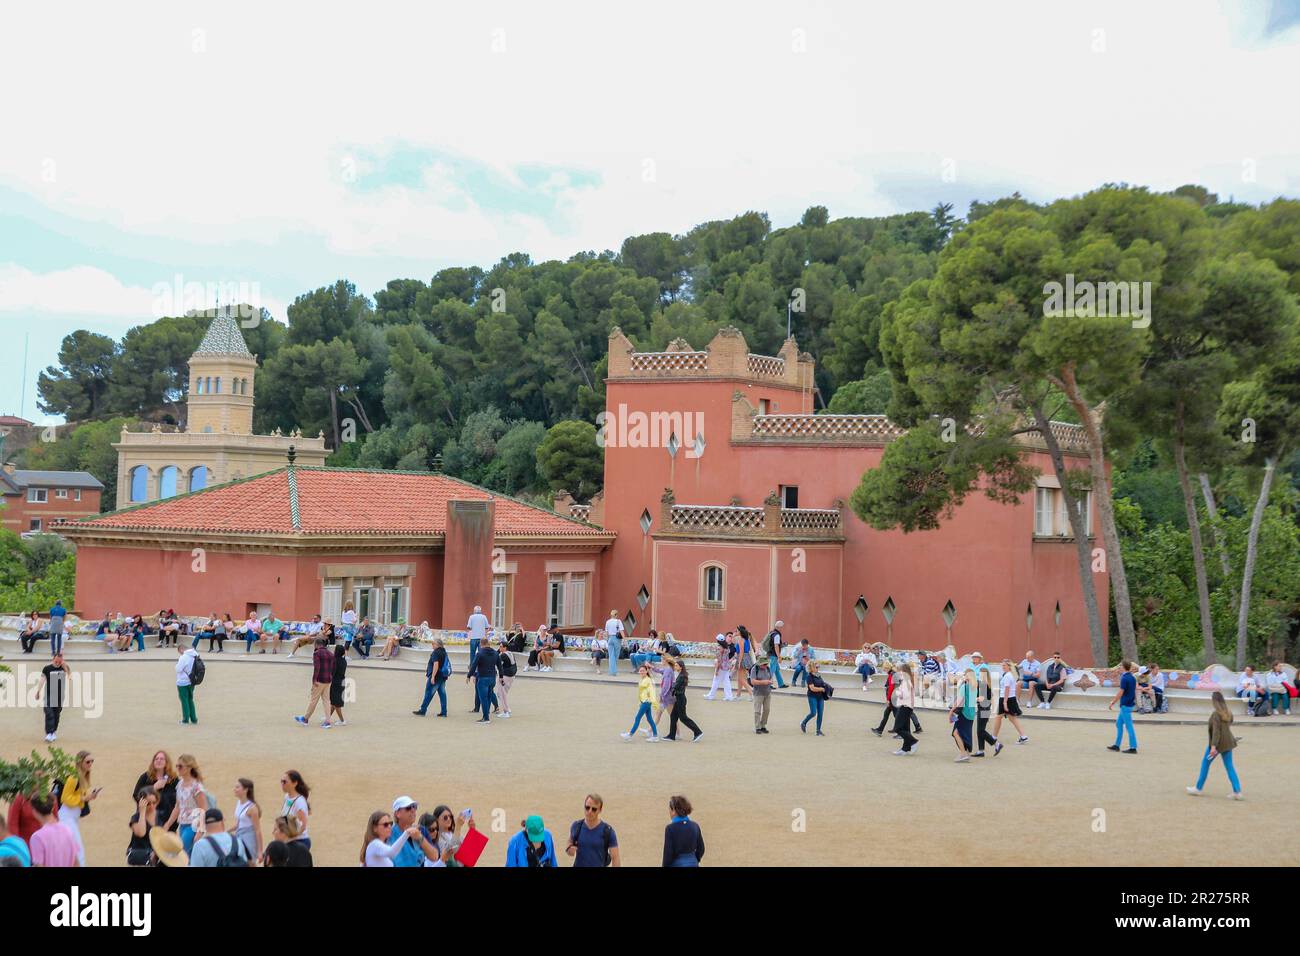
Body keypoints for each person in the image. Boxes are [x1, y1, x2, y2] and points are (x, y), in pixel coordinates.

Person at [1187, 691, 1244, 800]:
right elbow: (1230, 723)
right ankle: (1237, 791)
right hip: (1228, 742)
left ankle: (1198, 788)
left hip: (1217, 744)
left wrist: (1213, 747)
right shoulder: (1228, 712)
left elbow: (1216, 732)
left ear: (1214, 702)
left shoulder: (1215, 714)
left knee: (1205, 764)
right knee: (1230, 767)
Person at [56, 750, 100, 865]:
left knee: (71, 849)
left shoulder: (83, 777)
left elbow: (77, 796)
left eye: (92, 761)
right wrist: (84, 799)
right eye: (87, 762)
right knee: (78, 849)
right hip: (66, 818)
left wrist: (89, 797)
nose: (90, 764)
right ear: (80, 762)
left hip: (72, 817)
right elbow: (64, 798)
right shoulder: (73, 778)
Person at [166, 754, 209, 854]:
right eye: (176, 766)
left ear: (189, 767)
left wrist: (200, 831)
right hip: (182, 824)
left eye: (180, 766)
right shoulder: (179, 784)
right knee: (187, 856)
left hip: (194, 825)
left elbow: (203, 809)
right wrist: (167, 824)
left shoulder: (196, 787)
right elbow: (177, 807)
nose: (177, 768)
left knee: (181, 853)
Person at [567, 793, 620, 867]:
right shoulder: (576, 826)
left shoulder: (608, 831)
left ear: (600, 810)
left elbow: (615, 857)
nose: (589, 811)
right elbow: (569, 844)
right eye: (587, 807)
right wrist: (569, 850)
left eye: (594, 809)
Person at [294, 638, 336, 728]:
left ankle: (305, 719)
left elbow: (317, 667)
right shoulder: (330, 654)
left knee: (313, 700)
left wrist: (314, 680)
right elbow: (333, 668)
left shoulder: (317, 653)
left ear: (316, 644)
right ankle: (328, 721)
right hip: (328, 680)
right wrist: (331, 677)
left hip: (319, 680)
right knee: (327, 701)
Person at [28, 795, 80, 867]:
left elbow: (39, 865)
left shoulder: (37, 837)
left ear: (34, 811)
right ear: (52, 808)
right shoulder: (68, 830)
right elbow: (76, 863)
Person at [873, 663, 923, 738]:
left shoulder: (898, 677)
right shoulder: (904, 677)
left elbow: (892, 688)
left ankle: (901, 732)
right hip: (902, 701)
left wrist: (891, 697)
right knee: (900, 716)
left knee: (900, 717)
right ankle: (883, 729)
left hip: (899, 700)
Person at [387, 796, 439, 866]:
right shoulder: (389, 833)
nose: (413, 810)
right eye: (408, 808)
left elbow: (434, 857)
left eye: (414, 807)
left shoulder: (421, 830)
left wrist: (420, 838)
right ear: (397, 813)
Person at [989, 660, 1030, 750]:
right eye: (1002, 665)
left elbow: (1007, 689)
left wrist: (1004, 702)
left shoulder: (1008, 676)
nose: (1003, 667)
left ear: (1009, 666)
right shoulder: (1008, 675)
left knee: (999, 717)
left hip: (1006, 698)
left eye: (1004, 665)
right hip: (1009, 698)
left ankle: (994, 737)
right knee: (1012, 718)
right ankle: (1023, 736)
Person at [134, 752, 178, 831]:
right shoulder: (145, 777)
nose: (158, 760)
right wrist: (154, 788)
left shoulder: (174, 779)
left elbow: (181, 799)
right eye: (156, 759)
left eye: (162, 759)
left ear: (166, 762)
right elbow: (136, 796)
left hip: (168, 824)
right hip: (147, 821)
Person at [663, 658, 703, 742]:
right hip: (679, 699)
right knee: (673, 716)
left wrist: (670, 688)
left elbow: (675, 687)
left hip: (680, 699)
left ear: (681, 667)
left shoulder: (681, 676)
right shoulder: (681, 675)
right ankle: (671, 735)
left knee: (683, 718)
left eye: (676, 665)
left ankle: (698, 732)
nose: (675, 666)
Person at [621, 664, 662, 741]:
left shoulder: (648, 680)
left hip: (646, 702)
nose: (641, 672)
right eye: (640, 671)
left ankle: (630, 734)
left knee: (638, 718)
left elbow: (652, 692)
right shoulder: (643, 679)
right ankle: (655, 735)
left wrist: (655, 704)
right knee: (649, 719)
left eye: (643, 670)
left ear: (647, 671)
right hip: (644, 701)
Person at [662, 795, 704, 867]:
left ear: (674, 811)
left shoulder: (670, 829)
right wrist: (693, 860)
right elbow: (701, 849)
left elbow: (668, 854)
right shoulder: (695, 826)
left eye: (670, 810)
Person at [466, 636, 500, 723]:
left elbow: (473, 665)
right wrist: (501, 676)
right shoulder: (495, 653)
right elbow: (500, 666)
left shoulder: (480, 653)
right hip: (492, 677)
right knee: (489, 696)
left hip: (483, 677)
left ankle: (486, 717)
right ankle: (486, 714)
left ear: (481, 644)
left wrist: (469, 675)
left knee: (483, 698)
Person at [1107, 660, 1139, 754]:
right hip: (1127, 704)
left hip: (1125, 705)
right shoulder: (1132, 677)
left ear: (1123, 667)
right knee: (1119, 724)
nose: (1119, 667)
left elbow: (1121, 692)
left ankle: (1133, 747)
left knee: (1129, 727)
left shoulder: (1124, 678)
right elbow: (1133, 690)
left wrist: (1113, 702)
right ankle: (1117, 745)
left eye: (1120, 666)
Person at [414, 637, 450, 717]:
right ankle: (444, 712)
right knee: (442, 694)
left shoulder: (435, 653)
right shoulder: (444, 652)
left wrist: (433, 676)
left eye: (433, 644)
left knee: (429, 693)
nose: (432, 646)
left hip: (436, 676)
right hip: (443, 676)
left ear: (437, 644)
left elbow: (436, 664)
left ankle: (423, 710)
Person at [38, 652, 70, 742]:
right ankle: (49, 733)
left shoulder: (63, 668)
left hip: (59, 696)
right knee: (49, 713)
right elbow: (42, 680)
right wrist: (38, 691)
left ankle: (53, 732)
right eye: (56, 661)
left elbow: (69, 674)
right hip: (49, 695)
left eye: (59, 662)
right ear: (53, 659)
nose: (57, 663)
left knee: (56, 714)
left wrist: (64, 665)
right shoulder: (47, 668)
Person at [231, 778, 263, 861]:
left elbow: (257, 830)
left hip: (249, 839)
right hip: (239, 837)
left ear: (245, 790)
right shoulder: (239, 802)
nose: (234, 789)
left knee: (250, 862)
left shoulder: (252, 808)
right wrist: (225, 831)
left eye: (237, 787)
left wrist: (260, 851)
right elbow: (238, 824)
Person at [890, 665, 919, 755]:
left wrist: (898, 692)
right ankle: (905, 748)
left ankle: (913, 741)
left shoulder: (907, 682)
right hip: (905, 706)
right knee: (905, 729)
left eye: (900, 671)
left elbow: (904, 695)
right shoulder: (905, 681)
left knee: (898, 728)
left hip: (905, 707)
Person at [948, 671, 976, 763]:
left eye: (965, 675)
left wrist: (951, 710)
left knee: (956, 733)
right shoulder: (974, 688)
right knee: (964, 733)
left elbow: (960, 701)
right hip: (971, 714)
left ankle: (963, 753)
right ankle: (965, 752)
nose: (963, 676)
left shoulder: (964, 687)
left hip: (963, 713)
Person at [280, 770, 312, 850]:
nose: (282, 784)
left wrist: (289, 839)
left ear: (295, 783)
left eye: (285, 782)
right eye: (281, 781)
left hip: (299, 842)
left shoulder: (299, 802)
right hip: (288, 840)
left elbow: (303, 826)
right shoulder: (287, 796)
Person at [126, 788, 158, 866]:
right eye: (148, 803)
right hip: (140, 857)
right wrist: (142, 812)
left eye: (154, 802)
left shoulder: (161, 816)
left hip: (157, 857)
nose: (152, 806)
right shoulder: (136, 817)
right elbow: (141, 833)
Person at [973, 661, 998, 756]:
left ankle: (996, 744)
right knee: (980, 730)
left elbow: (982, 698)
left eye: (980, 673)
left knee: (980, 730)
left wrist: (972, 699)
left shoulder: (983, 684)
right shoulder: (988, 684)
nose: (979, 675)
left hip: (983, 709)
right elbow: (990, 697)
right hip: (986, 708)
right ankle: (981, 751)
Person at [801, 661, 830, 735]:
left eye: (818, 667)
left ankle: (818, 730)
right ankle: (804, 722)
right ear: (812, 668)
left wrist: (827, 687)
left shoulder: (818, 675)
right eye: (816, 667)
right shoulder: (809, 677)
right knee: (813, 713)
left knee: (820, 713)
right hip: (812, 696)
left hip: (820, 697)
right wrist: (821, 689)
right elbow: (812, 688)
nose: (818, 668)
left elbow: (822, 683)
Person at [705, 633, 736, 701]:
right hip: (726, 666)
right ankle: (729, 696)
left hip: (721, 667)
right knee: (726, 682)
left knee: (716, 681)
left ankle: (711, 695)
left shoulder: (720, 648)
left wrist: (716, 670)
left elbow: (719, 660)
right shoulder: (727, 647)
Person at [749, 653, 774, 734]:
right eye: (764, 664)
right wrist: (764, 682)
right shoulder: (754, 669)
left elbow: (770, 678)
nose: (766, 665)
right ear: (760, 664)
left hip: (767, 692)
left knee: (767, 710)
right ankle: (757, 727)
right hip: (758, 693)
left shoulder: (768, 669)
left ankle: (763, 725)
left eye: (767, 664)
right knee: (757, 711)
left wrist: (770, 681)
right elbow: (753, 681)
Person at [175, 645, 199, 724]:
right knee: (190, 699)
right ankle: (194, 719)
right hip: (192, 681)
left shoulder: (183, 657)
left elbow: (178, 669)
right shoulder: (195, 655)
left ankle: (185, 719)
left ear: (181, 649)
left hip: (183, 681)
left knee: (184, 700)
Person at [327, 643, 349, 726]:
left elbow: (332, 673)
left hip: (336, 683)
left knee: (336, 704)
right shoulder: (344, 660)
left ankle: (342, 720)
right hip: (342, 681)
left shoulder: (335, 660)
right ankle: (327, 717)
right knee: (334, 702)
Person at [763, 621, 787, 688]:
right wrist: (779, 656)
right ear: (779, 627)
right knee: (772, 670)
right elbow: (776, 646)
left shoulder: (772, 633)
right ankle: (768, 684)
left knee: (776, 670)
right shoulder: (777, 635)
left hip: (771, 653)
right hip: (774, 655)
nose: (782, 629)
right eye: (781, 627)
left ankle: (781, 684)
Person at [496, 638, 516, 718]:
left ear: (505, 647)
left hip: (505, 676)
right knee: (501, 694)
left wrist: (500, 677)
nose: (499, 648)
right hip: (511, 676)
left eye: (501, 646)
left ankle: (506, 711)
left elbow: (497, 663)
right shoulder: (510, 653)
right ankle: (507, 708)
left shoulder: (503, 655)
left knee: (501, 694)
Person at [604, 609, 624, 675]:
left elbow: (606, 632)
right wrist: (624, 638)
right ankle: (614, 671)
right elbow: (621, 631)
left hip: (610, 638)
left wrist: (607, 639)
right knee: (616, 655)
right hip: (617, 638)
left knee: (611, 655)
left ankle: (611, 671)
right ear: (616, 615)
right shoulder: (618, 621)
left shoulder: (607, 622)